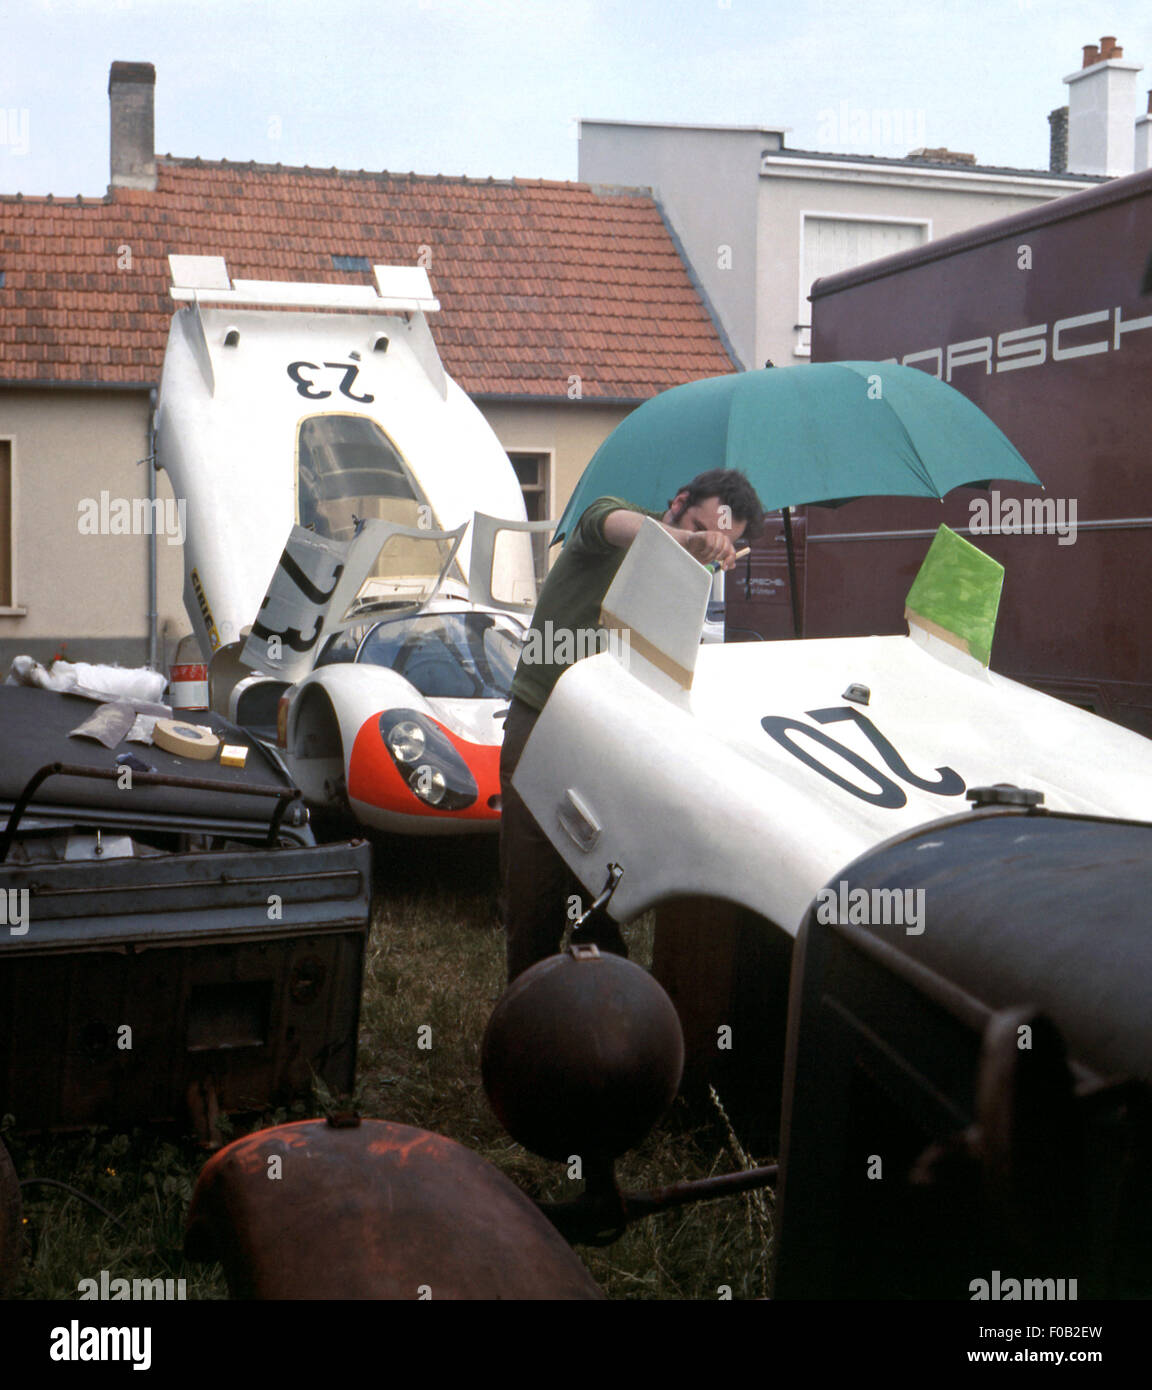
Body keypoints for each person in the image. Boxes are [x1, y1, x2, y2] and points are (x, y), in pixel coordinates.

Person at [499, 469, 765, 981]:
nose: (702, 553)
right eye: (698, 526)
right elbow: (614, 524)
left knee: (597, 900)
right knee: (532, 902)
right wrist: (689, 541)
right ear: (678, 501)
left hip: (607, 744)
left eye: (719, 548)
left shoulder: (684, 590)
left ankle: (606, 1022)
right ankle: (527, 1020)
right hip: (542, 724)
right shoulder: (617, 522)